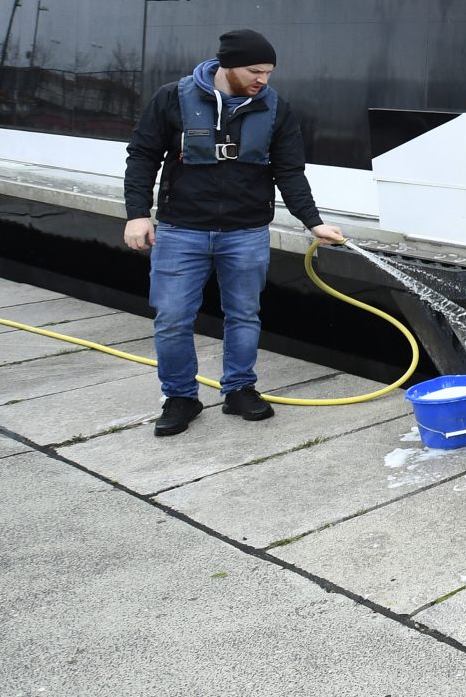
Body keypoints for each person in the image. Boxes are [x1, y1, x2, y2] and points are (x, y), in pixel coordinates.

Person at [123, 28, 345, 437]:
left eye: (269, 72)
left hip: (246, 232)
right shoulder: (172, 98)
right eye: (255, 70)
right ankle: (180, 397)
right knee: (172, 318)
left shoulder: (276, 108)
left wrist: (312, 221)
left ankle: (239, 389)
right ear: (227, 65)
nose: (264, 79)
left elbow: (290, 172)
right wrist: (138, 213)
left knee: (243, 314)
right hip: (179, 230)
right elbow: (142, 156)